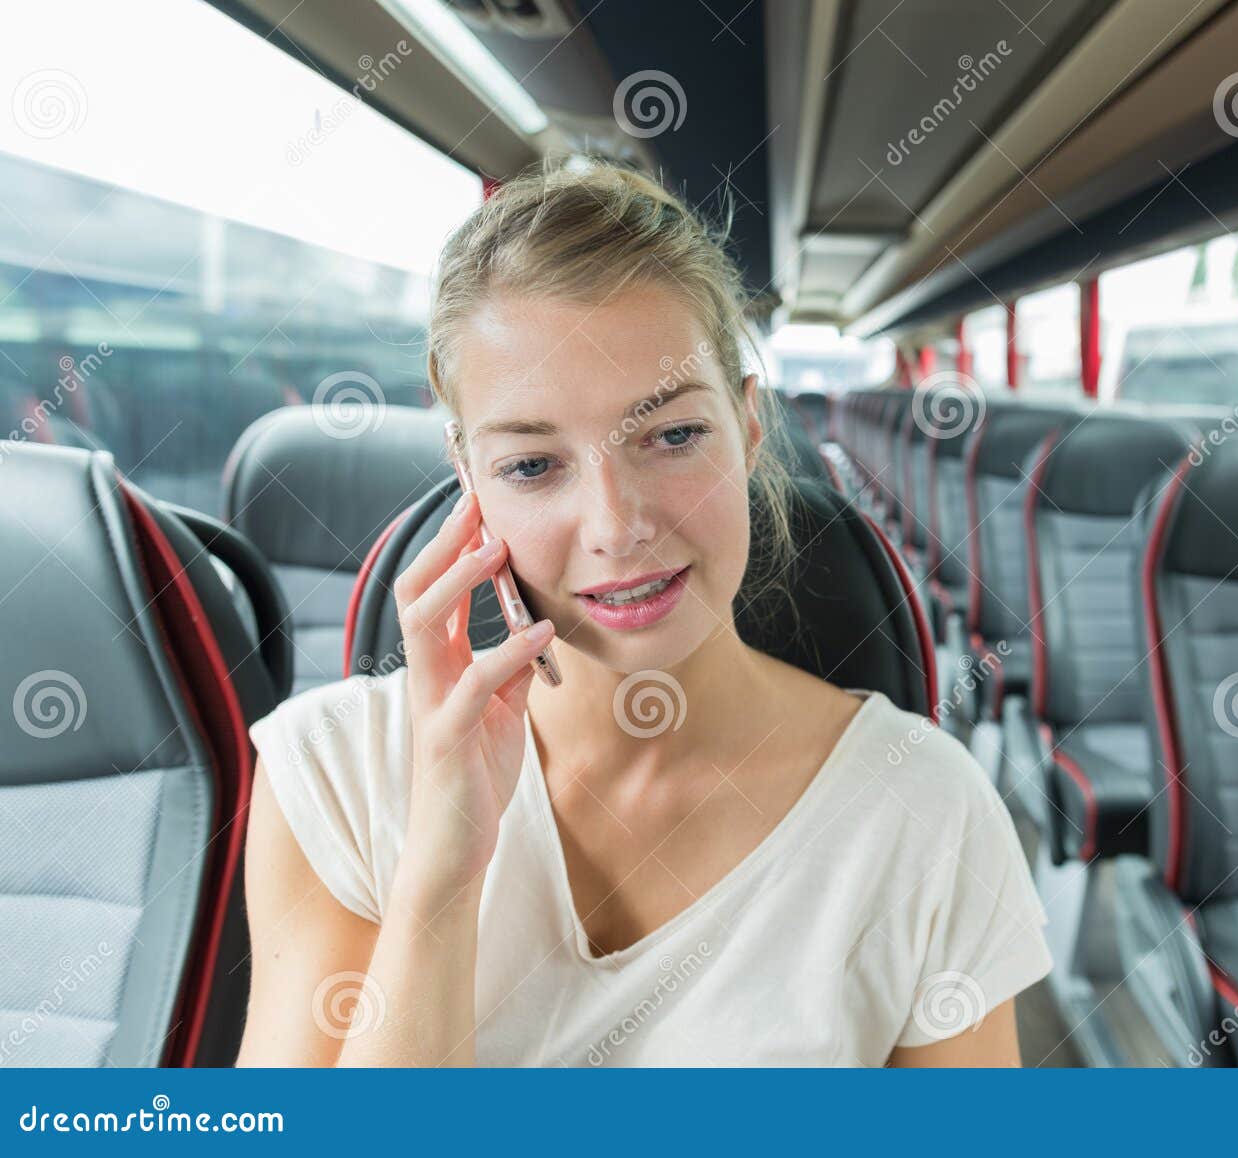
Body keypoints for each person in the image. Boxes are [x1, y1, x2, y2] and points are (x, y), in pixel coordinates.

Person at [235, 160, 1051, 1066]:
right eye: (534, 465)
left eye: (671, 436)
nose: (618, 529)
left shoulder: (925, 812)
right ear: (468, 479)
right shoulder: (337, 776)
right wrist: (437, 881)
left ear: (747, 428)